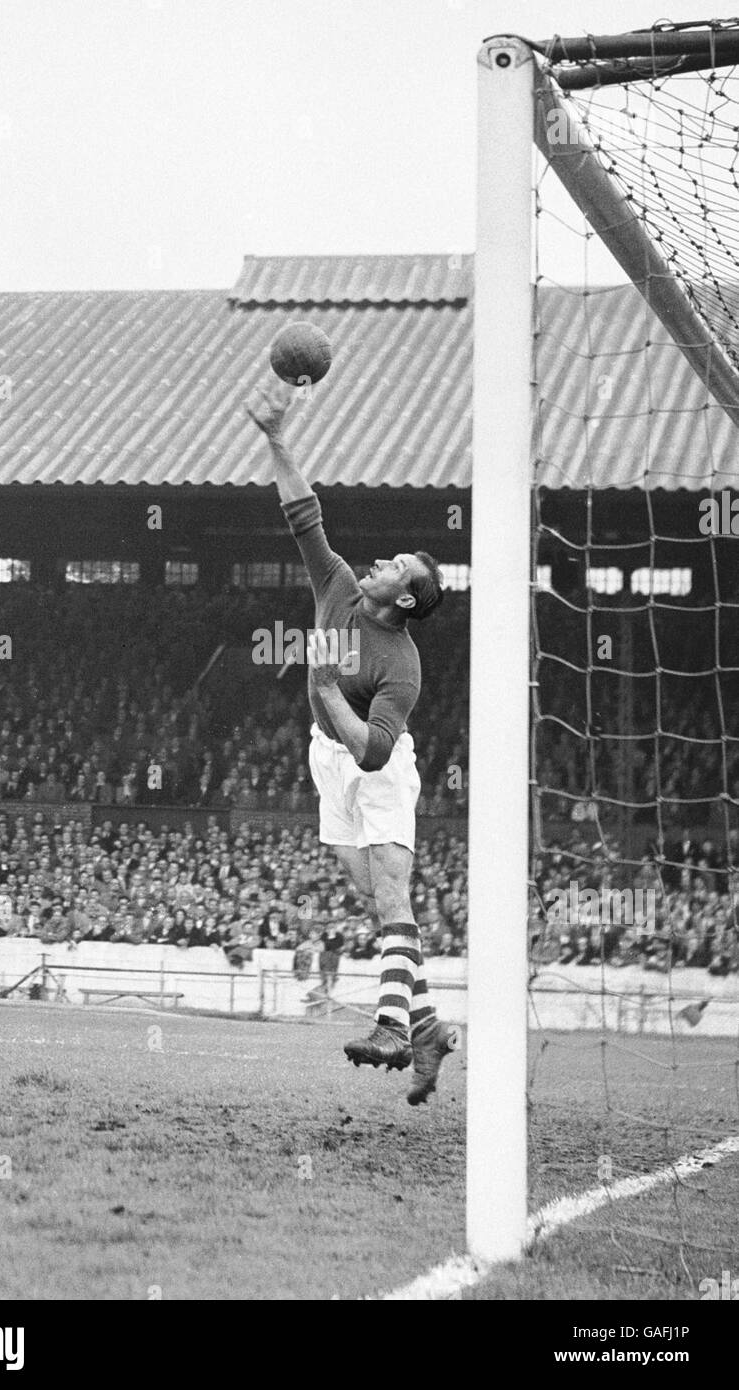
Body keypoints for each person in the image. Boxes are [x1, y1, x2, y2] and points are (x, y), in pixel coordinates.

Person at [247, 383, 457, 1105]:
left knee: (392, 892)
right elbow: (304, 514)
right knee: (372, 896)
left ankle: (395, 1027)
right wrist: (277, 438)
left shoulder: (404, 667)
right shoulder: (337, 584)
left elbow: (374, 750)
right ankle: (428, 1026)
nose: (380, 562)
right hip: (325, 758)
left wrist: (330, 688)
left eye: (396, 566)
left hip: (377, 767)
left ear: (406, 598)